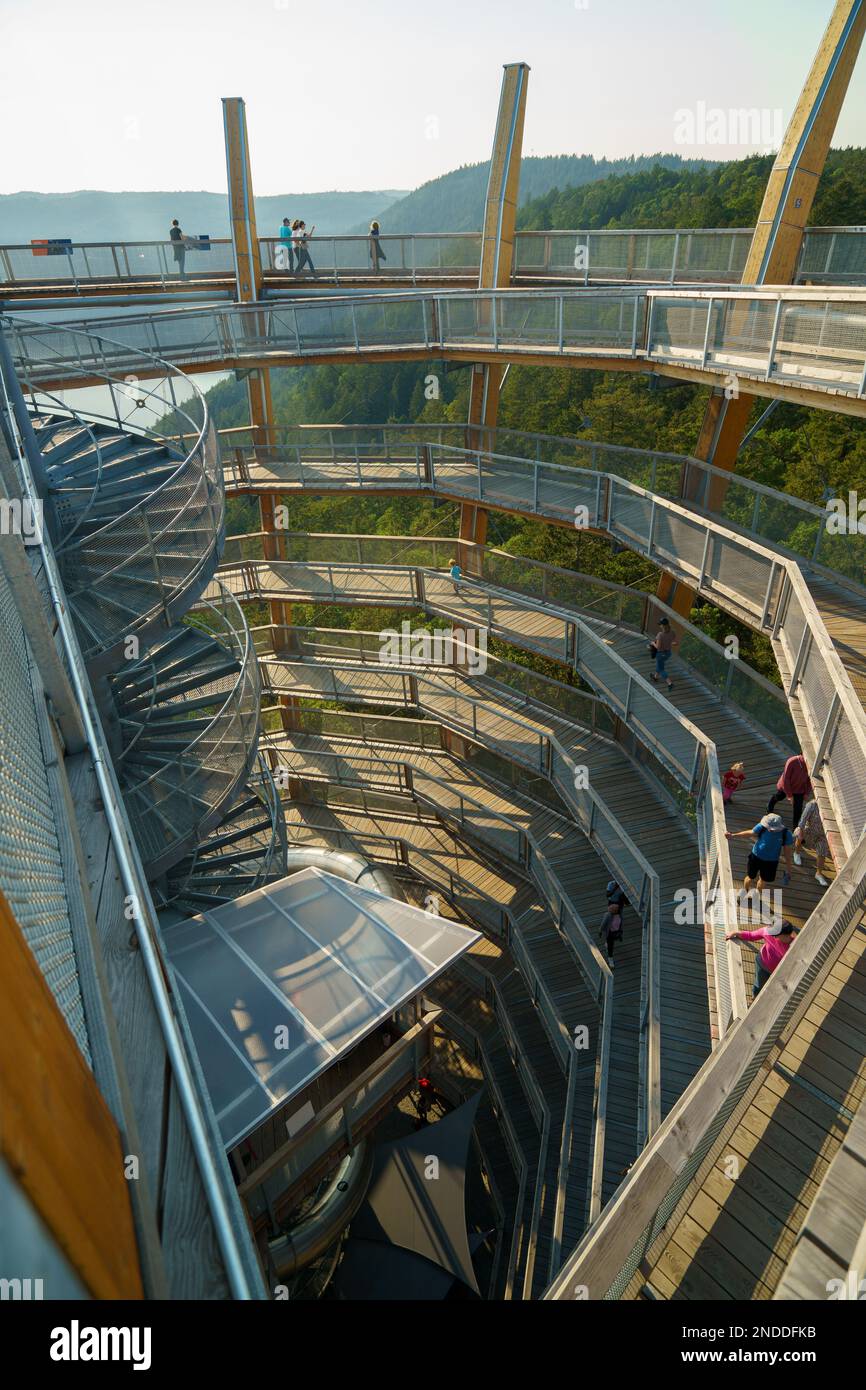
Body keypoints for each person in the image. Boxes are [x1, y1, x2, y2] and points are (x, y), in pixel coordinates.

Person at [725, 919, 798, 998]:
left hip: (779, 972)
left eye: (776, 934)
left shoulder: (795, 945)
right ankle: (755, 996)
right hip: (762, 963)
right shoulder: (768, 932)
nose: (773, 936)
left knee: (776, 989)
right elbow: (751, 935)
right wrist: (736, 933)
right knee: (759, 984)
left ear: (787, 935)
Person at [726, 812, 794, 896]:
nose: (769, 829)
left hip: (771, 862)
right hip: (756, 856)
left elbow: (787, 854)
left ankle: (757, 893)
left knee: (763, 879)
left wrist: (789, 869)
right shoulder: (763, 826)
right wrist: (733, 835)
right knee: (750, 877)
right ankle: (745, 891)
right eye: (768, 827)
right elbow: (751, 833)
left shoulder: (786, 834)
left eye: (772, 828)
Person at [767, 754, 812, 830]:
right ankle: (770, 806)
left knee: (798, 810)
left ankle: (795, 830)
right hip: (786, 787)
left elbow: (810, 779)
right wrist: (790, 796)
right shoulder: (792, 761)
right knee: (779, 797)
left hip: (799, 789)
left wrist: (807, 792)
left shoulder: (811, 765)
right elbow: (786, 779)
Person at [793, 798, 830, 887]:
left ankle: (819, 873)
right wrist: (801, 831)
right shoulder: (812, 804)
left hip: (822, 835)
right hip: (809, 829)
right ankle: (796, 853)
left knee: (822, 852)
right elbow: (803, 820)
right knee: (799, 834)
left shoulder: (830, 807)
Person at [650, 616, 677, 691]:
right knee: (660, 665)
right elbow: (675, 642)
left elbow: (658, 647)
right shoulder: (672, 632)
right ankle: (655, 677)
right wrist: (670, 643)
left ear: (663, 625)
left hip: (660, 654)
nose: (659, 626)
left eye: (660, 624)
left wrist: (652, 643)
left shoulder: (660, 635)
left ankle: (670, 683)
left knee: (661, 669)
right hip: (668, 653)